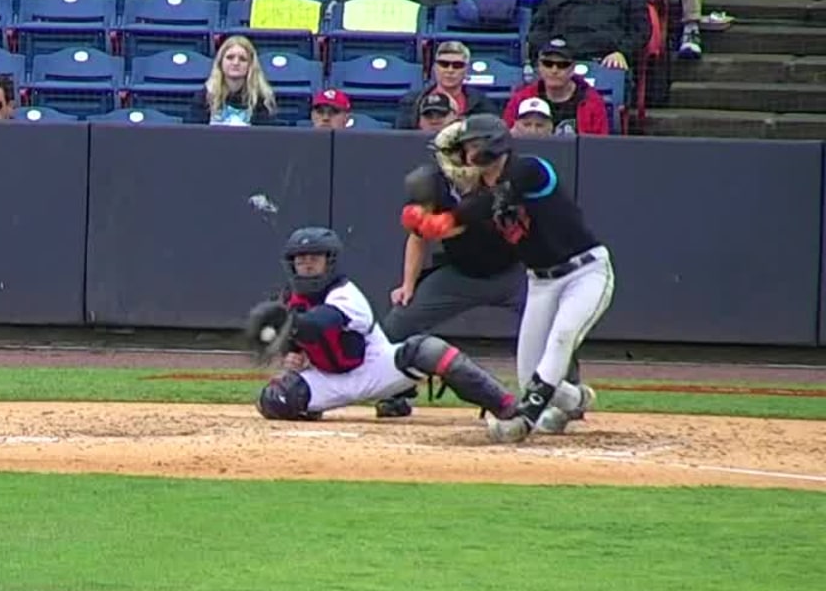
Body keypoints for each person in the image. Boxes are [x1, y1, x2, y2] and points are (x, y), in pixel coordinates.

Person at [408, 114, 610, 436]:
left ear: (492, 144)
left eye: (474, 146)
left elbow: (493, 199)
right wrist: (428, 223)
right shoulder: (480, 195)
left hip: (585, 272)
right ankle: (577, 399)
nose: (468, 155)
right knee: (532, 376)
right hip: (541, 282)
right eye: (466, 148)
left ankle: (524, 418)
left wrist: (446, 219)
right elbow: (466, 216)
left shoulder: (529, 169)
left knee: (562, 337)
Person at [252, 226, 529, 444]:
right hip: (327, 379)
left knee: (430, 351)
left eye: (315, 259)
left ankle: (506, 406)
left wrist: (286, 325)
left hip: (376, 369)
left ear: (329, 262)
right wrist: (292, 352)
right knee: (274, 400)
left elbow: (321, 323)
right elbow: (298, 335)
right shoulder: (290, 299)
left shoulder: (346, 294)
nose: (308, 265)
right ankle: (310, 406)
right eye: (301, 261)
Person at [187, 35, 277, 126]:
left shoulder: (260, 99)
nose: (235, 63)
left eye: (242, 59)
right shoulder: (206, 95)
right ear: (220, 62)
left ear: (251, 65)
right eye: (230, 57)